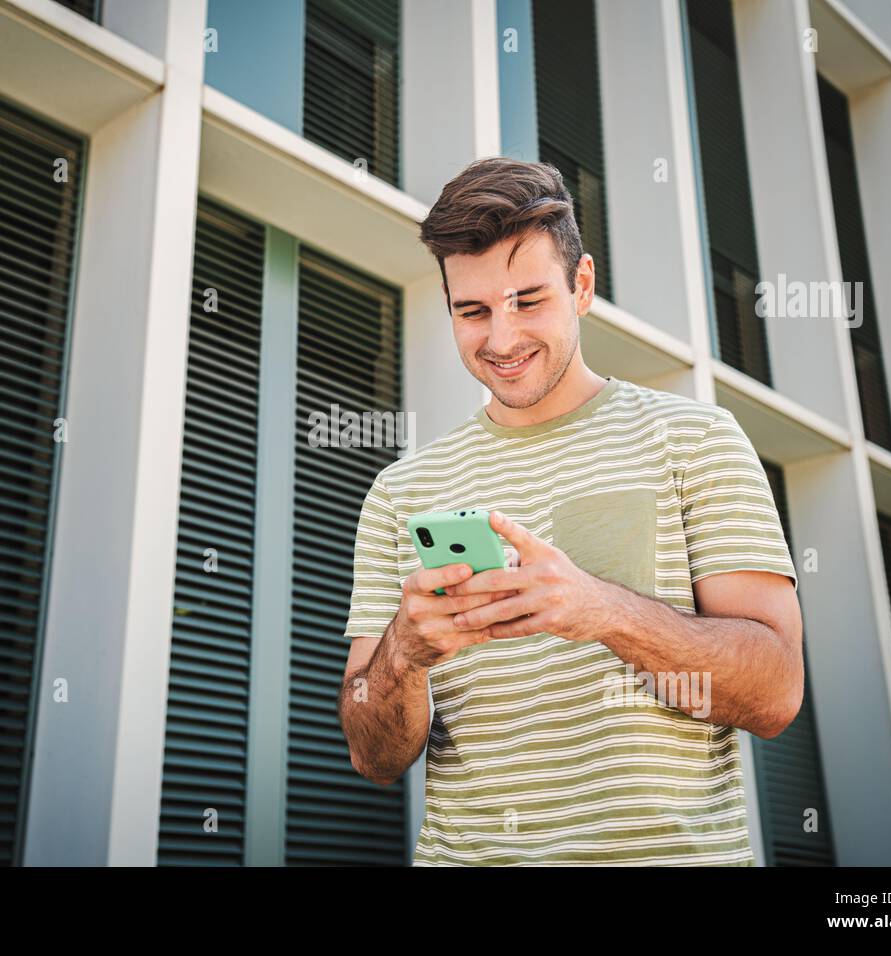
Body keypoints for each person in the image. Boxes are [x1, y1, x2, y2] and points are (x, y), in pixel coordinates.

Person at [337, 157, 803, 866]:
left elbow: (775, 691)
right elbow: (373, 757)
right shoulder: (402, 492)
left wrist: (603, 611)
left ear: (582, 285)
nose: (502, 339)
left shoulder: (694, 439)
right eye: (473, 311)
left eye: (528, 300)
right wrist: (405, 651)